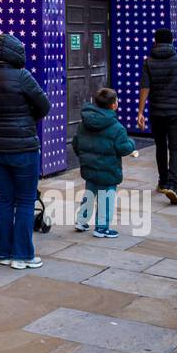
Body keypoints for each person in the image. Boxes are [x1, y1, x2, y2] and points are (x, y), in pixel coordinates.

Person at [0, 32, 50, 270]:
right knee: (26, 201)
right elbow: (44, 106)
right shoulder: (23, 76)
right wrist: (28, 119)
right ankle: (23, 255)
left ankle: (5, 253)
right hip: (23, 146)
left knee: (5, 200)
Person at [137, 28, 177, 206]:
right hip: (176, 112)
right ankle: (173, 185)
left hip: (156, 112)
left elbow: (145, 88)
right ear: (172, 41)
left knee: (160, 147)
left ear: (155, 42)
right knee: (176, 149)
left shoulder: (148, 62)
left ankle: (163, 181)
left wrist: (140, 112)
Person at [72, 87, 136, 239]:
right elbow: (123, 149)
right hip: (108, 170)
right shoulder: (117, 128)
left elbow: (76, 143)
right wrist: (131, 144)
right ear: (114, 105)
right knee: (106, 197)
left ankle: (81, 220)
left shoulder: (83, 123)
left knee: (89, 193)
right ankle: (101, 228)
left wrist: (85, 158)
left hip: (89, 167)